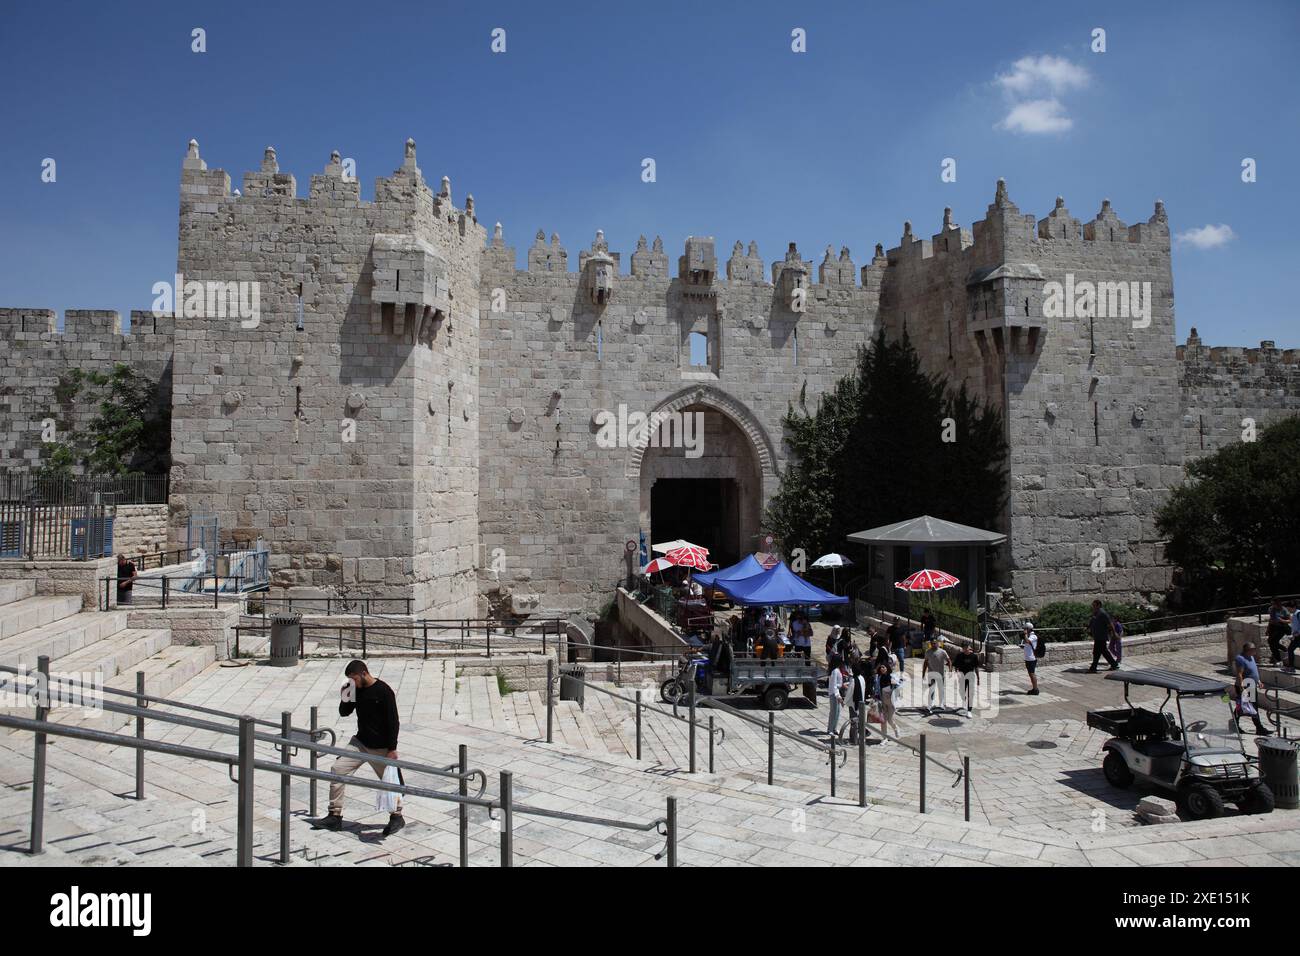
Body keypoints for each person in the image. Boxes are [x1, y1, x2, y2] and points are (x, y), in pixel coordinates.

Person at [317, 660, 405, 835]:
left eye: (354, 679)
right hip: (360, 743)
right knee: (338, 768)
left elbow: (393, 721)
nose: (352, 682)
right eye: (349, 679)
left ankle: (397, 817)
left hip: (381, 747)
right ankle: (335, 816)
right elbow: (344, 712)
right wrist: (345, 695)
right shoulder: (354, 688)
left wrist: (392, 749)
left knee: (390, 781)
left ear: (364, 673)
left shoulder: (384, 691)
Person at [1232, 643, 1272, 736]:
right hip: (1246, 686)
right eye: (1253, 649)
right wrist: (1242, 687)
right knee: (1248, 706)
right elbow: (1240, 673)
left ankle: (1235, 724)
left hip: (1252, 685)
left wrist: (1258, 681)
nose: (1255, 651)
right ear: (1248, 650)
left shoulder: (1251, 657)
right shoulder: (1241, 658)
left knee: (1245, 706)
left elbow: (1253, 671)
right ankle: (1259, 728)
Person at [1087, 600, 1120, 673]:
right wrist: (1089, 628)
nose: (1093, 607)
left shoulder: (1103, 613)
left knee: (1098, 652)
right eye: (1093, 605)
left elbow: (1110, 623)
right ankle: (1113, 664)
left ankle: (1093, 668)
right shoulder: (1096, 613)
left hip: (1101, 636)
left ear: (1099, 605)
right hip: (1097, 636)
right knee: (1101, 652)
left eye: (1094, 605)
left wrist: (1114, 633)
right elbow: (1093, 621)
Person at [921, 640, 951, 714]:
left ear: (938, 643)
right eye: (932, 644)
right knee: (931, 689)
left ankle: (941, 704)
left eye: (935, 643)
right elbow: (925, 662)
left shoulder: (942, 652)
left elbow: (949, 661)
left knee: (941, 689)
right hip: (931, 673)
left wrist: (950, 670)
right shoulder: (928, 652)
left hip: (941, 674)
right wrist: (923, 673)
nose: (933, 645)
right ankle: (930, 705)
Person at [952, 642, 980, 716]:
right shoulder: (959, 655)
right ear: (962, 648)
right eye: (964, 647)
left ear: (969, 647)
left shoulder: (974, 656)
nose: (966, 649)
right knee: (961, 691)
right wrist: (957, 672)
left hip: (971, 676)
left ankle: (969, 710)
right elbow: (955, 665)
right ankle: (964, 700)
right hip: (962, 676)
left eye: (967, 647)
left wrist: (978, 678)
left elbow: (976, 667)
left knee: (970, 694)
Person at [875, 662, 901, 739]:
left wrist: (895, 683)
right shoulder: (879, 678)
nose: (882, 669)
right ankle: (884, 737)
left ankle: (896, 729)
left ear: (887, 668)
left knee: (890, 720)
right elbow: (877, 689)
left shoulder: (892, 677)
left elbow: (899, 685)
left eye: (884, 667)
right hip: (882, 701)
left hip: (891, 702)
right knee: (883, 721)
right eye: (881, 667)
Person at [826, 660, 848, 736]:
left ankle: (834, 728)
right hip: (834, 694)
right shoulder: (835, 671)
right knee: (833, 712)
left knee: (837, 712)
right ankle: (830, 729)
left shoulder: (837, 670)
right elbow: (834, 685)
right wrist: (838, 696)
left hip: (836, 693)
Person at [1265, 598, 1289, 666]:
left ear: (1278, 603)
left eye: (1273, 604)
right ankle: (1279, 658)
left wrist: (1281, 620)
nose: (1272, 605)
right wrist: (1267, 629)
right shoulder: (1271, 609)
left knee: (1273, 641)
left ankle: (1283, 651)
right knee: (1271, 642)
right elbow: (1270, 620)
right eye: (1271, 604)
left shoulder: (1284, 610)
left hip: (1281, 627)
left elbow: (1289, 620)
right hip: (1273, 627)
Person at [1022, 621, 1040, 696]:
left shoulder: (1033, 636)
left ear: (1028, 629)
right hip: (1028, 658)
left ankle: (1036, 689)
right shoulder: (1029, 636)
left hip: (1031, 658)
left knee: (1032, 674)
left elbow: (1027, 641)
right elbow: (1027, 644)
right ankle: (1034, 688)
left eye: (1025, 629)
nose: (1024, 630)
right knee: (1030, 673)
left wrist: (1025, 634)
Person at [1286, 601, 1300, 673]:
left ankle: (1291, 667)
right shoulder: (1294, 614)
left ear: (1294, 607)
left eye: (1289, 609)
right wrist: (1293, 635)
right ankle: (1291, 667)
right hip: (1296, 636)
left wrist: (1298, 633)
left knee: (1290, 649)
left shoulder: (1298, 614)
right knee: (1290, 649)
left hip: (1299, 636)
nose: (1288, 610)